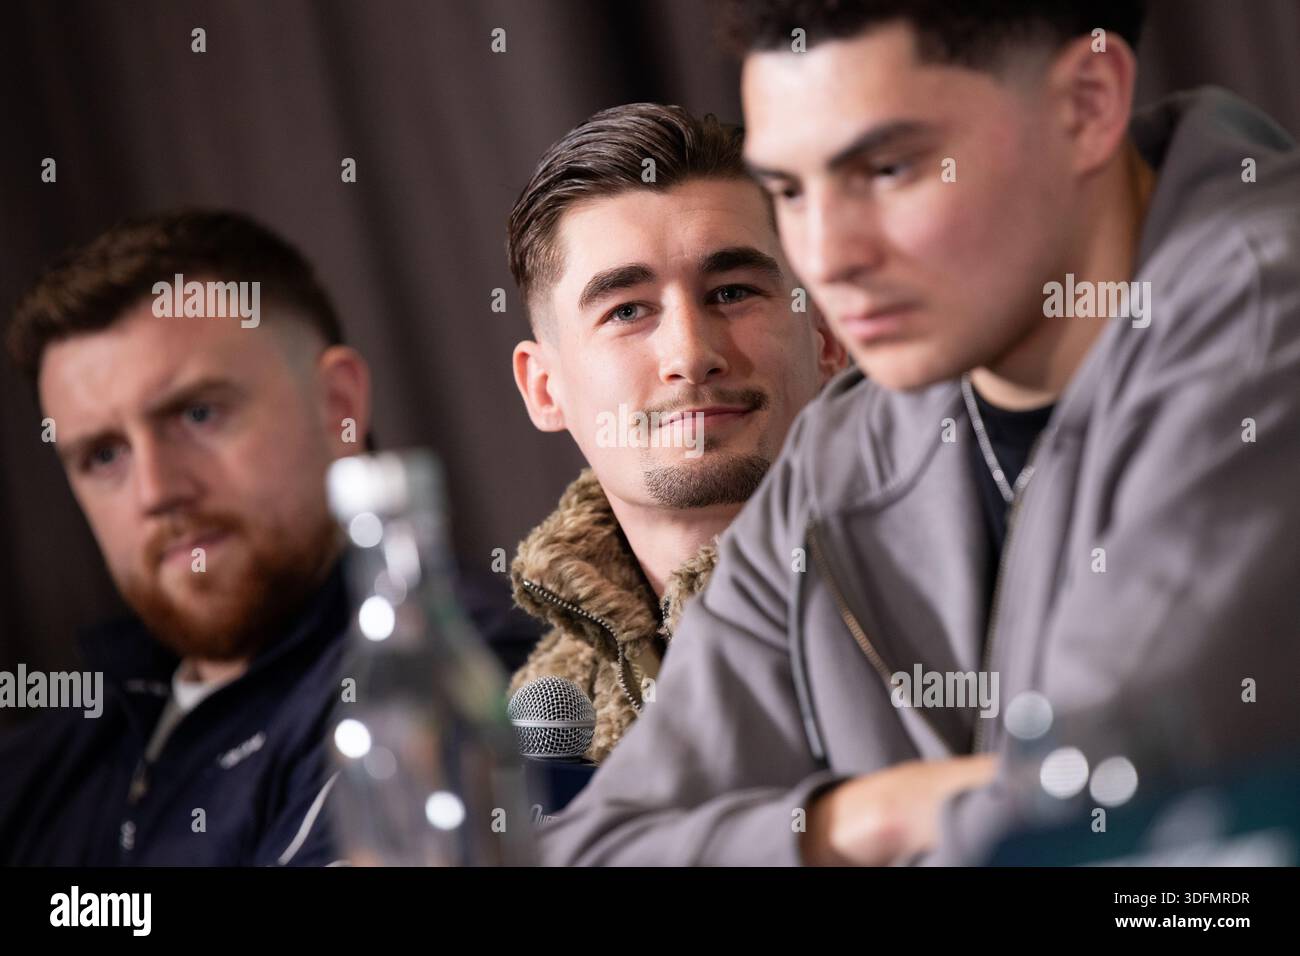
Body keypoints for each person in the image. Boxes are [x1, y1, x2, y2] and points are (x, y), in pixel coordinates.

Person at [540, 0, 1300, 865]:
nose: (825, 256)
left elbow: (1095, 821)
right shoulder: (839, 448)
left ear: (1087, 105)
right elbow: (596, 847)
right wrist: (869, 817)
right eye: (789, 190)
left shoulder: (1269, 330)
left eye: (889, 169)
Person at [0, 209, 534, 864]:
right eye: (103, 456)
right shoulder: (55, 758)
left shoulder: (451, 689)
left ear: (337, 406)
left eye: (197, 414)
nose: (156, 490)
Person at [505, 103, 843, 761]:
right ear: (545, 389)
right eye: (627, 310)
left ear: (826, 339)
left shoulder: (948, 576)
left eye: (732, 292)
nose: (690, 354)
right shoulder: (547, 711)